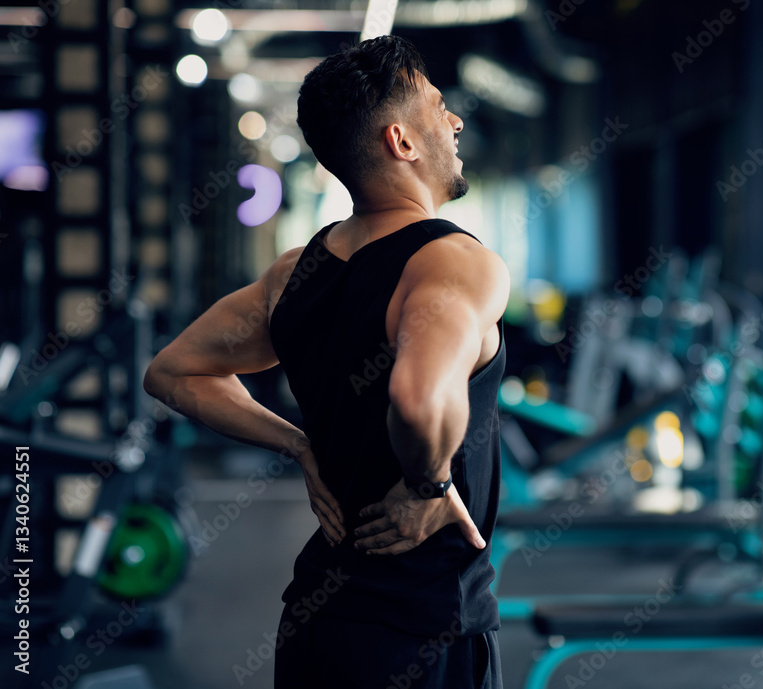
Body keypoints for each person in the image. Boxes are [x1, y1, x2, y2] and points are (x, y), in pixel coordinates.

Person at [143, 35, 508, 688]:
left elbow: (172, 370)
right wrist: (427, 482)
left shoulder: (294, 273)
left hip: (318, 622)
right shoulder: (456, 261)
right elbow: (419, 399)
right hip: (420, 630)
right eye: (439, 106)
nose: (454, 121)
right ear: (402, 140)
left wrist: (300, 445)